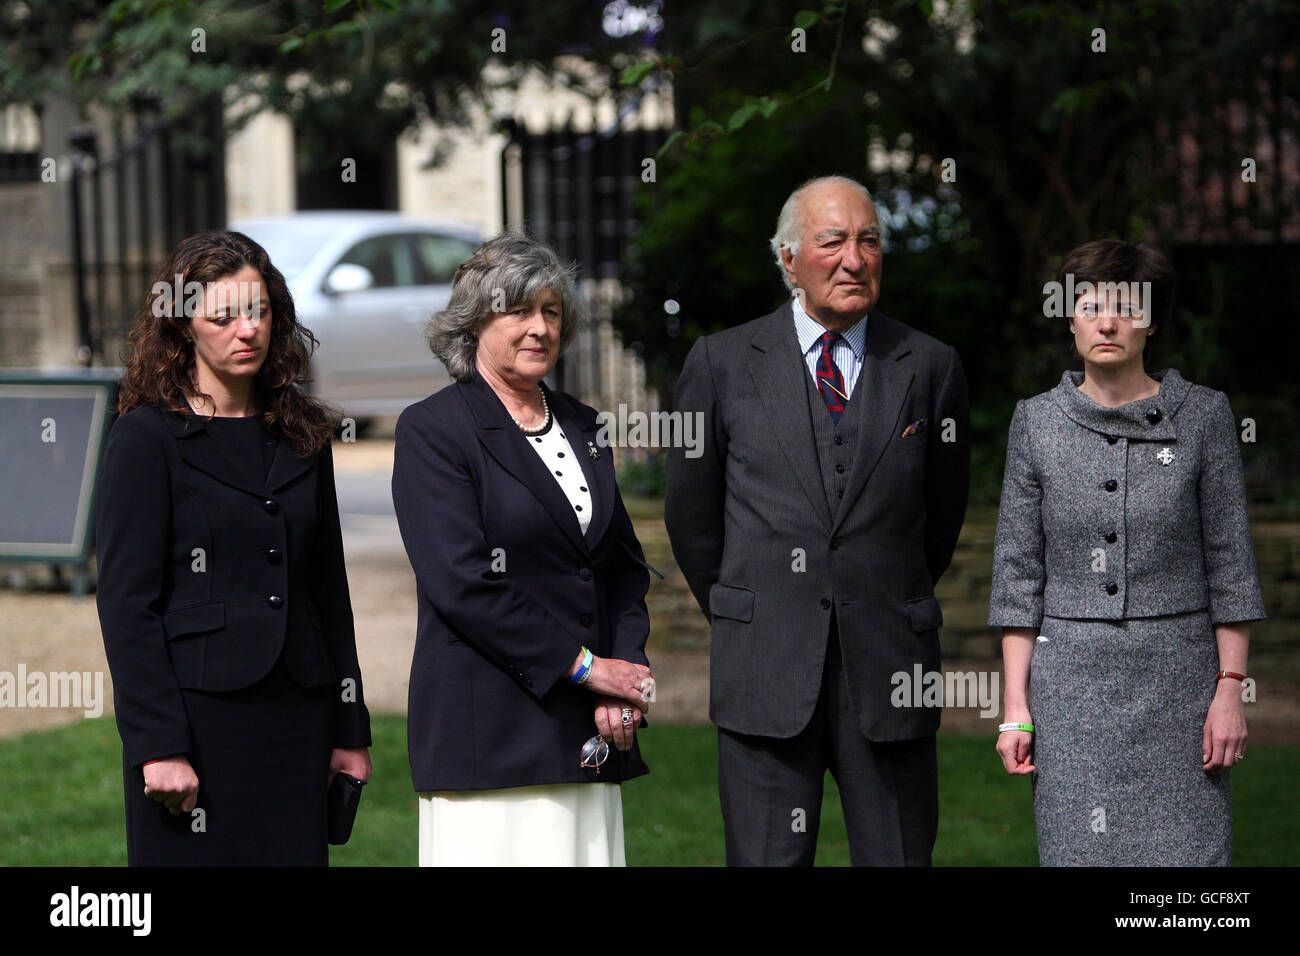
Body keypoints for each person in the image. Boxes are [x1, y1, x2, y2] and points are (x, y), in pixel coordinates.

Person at [664, 175, 971, 865]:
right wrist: (754, 609)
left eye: (869, 241)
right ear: (788, 259)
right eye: (833, 241)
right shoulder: (718, 364)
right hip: (763, 673)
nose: (855, 260)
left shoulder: (930, 366)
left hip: (890, 670)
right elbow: (692, 519)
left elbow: (939, 521)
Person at [95, 231, 372, 866]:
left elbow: (330, 594)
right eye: (222, 316)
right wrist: (157, 744)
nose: (246, 330)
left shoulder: (303, 431)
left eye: (259, 311)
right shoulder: (146, 439)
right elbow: (127, 605)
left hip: (298, 721)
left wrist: (350, 729)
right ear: (183, 326)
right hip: (197, 727)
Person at [989, 239, 1265, 865]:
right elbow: (1016, 575)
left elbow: (1231, 564)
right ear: (1070, 317)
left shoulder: (1205, 417)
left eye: (1125, 307)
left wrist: (1230, 691)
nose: (1108, 322)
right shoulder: (1035, 422)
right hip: (1071, 698)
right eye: (1090, 305)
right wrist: (1015, 712)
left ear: (1153, 320)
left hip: (1183, 693)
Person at [392, 233, 655, 866]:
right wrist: (589, 668)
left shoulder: (585, 425)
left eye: (552, 311)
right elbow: (464, 584)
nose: (538, 328)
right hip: (491, 738)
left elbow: (620, 568)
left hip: (587, 733)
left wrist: (623, 677)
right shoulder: (434, 430)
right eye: (518, 310)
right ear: (474, 321)